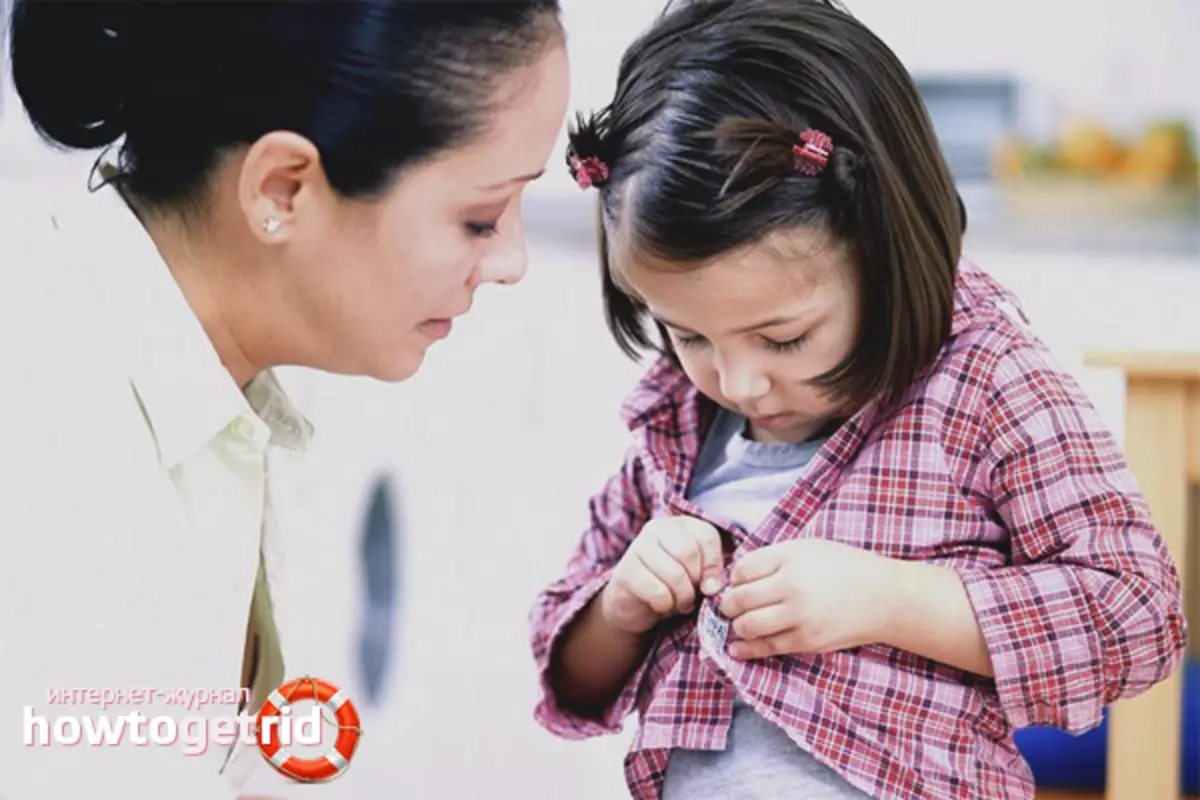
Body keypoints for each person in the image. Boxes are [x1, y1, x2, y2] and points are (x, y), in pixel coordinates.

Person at [528, 2, 1187, 798]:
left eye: (783, 340)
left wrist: (893, 600)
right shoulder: (673, 425)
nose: (736, 385)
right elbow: (572, 675)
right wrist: (624, 605)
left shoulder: (983, 379)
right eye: (689, 337)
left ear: (884, 254)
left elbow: (1135, 612)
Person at [0, 1, 568, 797]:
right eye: (479, 217)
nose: (511, 261)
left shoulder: (229, 404)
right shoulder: (39, 423)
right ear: (282, 188)